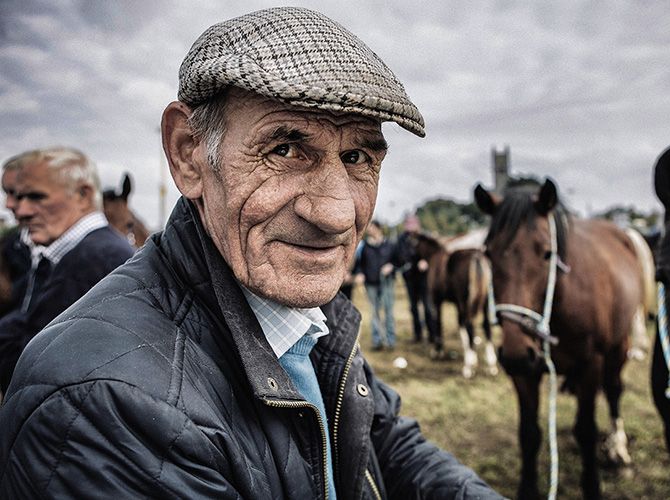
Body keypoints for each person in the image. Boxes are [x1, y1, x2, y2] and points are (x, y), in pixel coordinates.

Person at [0, 8, 502, 499]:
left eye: (357, 157)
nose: (336, 214)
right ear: (188, 154)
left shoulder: (299, 311)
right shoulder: (102, 403)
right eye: (285, 149)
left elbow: (382, 441)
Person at [0, 147, 134, 394]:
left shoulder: (94, 259)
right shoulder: (82, 253)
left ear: (83, 195)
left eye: (37, 197)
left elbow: (35, 370)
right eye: (19, 197)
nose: (21, 210)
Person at [355, 220, 401, 350]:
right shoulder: (365, 246)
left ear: (379, 229)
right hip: (370, 283)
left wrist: (391, 266)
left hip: (387, 283)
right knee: (374, 313)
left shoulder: (390, 245)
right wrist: (360, 273)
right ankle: (377, 341)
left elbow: (398, 261)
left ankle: (390, 340)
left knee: (388, 312)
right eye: (369, 229)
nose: (370, 231)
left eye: (372, 228)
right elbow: (360, 264)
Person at [0, 155, 33, 315]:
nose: (8, 204)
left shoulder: (85, 252)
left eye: (17, 193)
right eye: (7, 193)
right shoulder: (10, 244)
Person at [396, 213, 435, 343]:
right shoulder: (402, 239)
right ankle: (418, 335)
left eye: (413, 224)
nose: (411, 227)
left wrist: (426, 261)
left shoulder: (425, 238)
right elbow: (400, 255)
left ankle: (432, 335)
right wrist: (407, 264)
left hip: (423, 278)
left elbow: (433, 254)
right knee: (413, 307)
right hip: (410, 278)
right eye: (408, 224)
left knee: (428, 306)